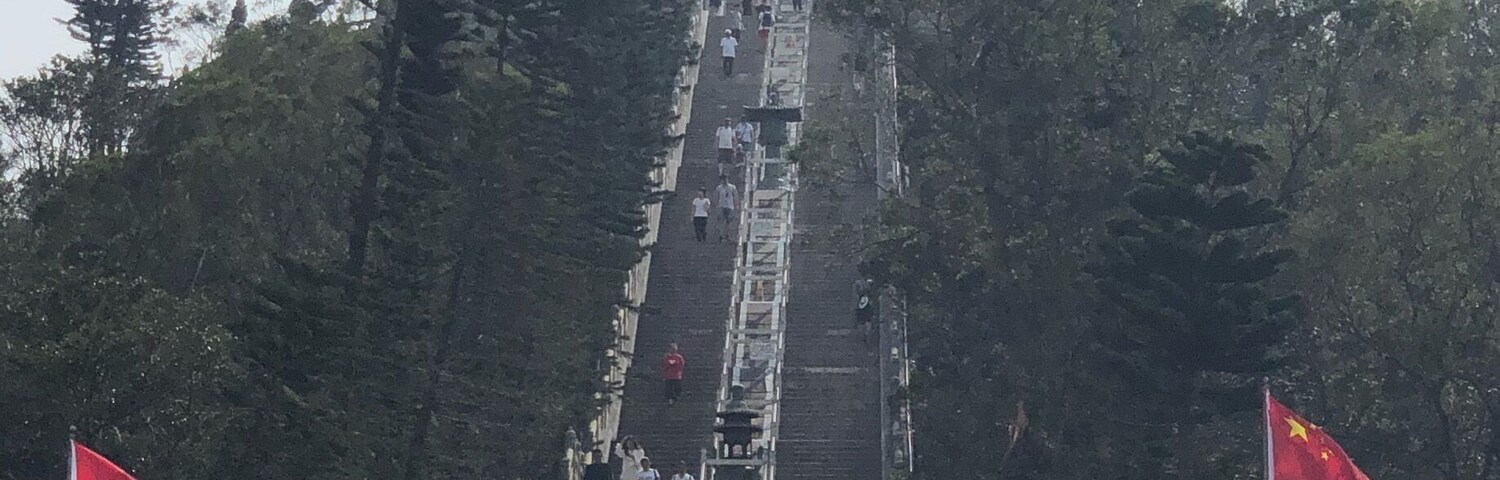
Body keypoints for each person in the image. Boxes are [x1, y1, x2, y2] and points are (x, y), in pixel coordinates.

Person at [715, 175, 738, 241]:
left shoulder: (732, 187)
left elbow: (735, 196)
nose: (725, 180)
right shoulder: (719, 188)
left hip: (730, 206)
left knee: (729, 221)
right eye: (723, 179)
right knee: (721, 221)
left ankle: (727, 234)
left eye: (726, 179)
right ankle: (721, 235)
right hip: (721, 206)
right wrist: (716, 206)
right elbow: (716, 196)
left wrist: (736, 206)